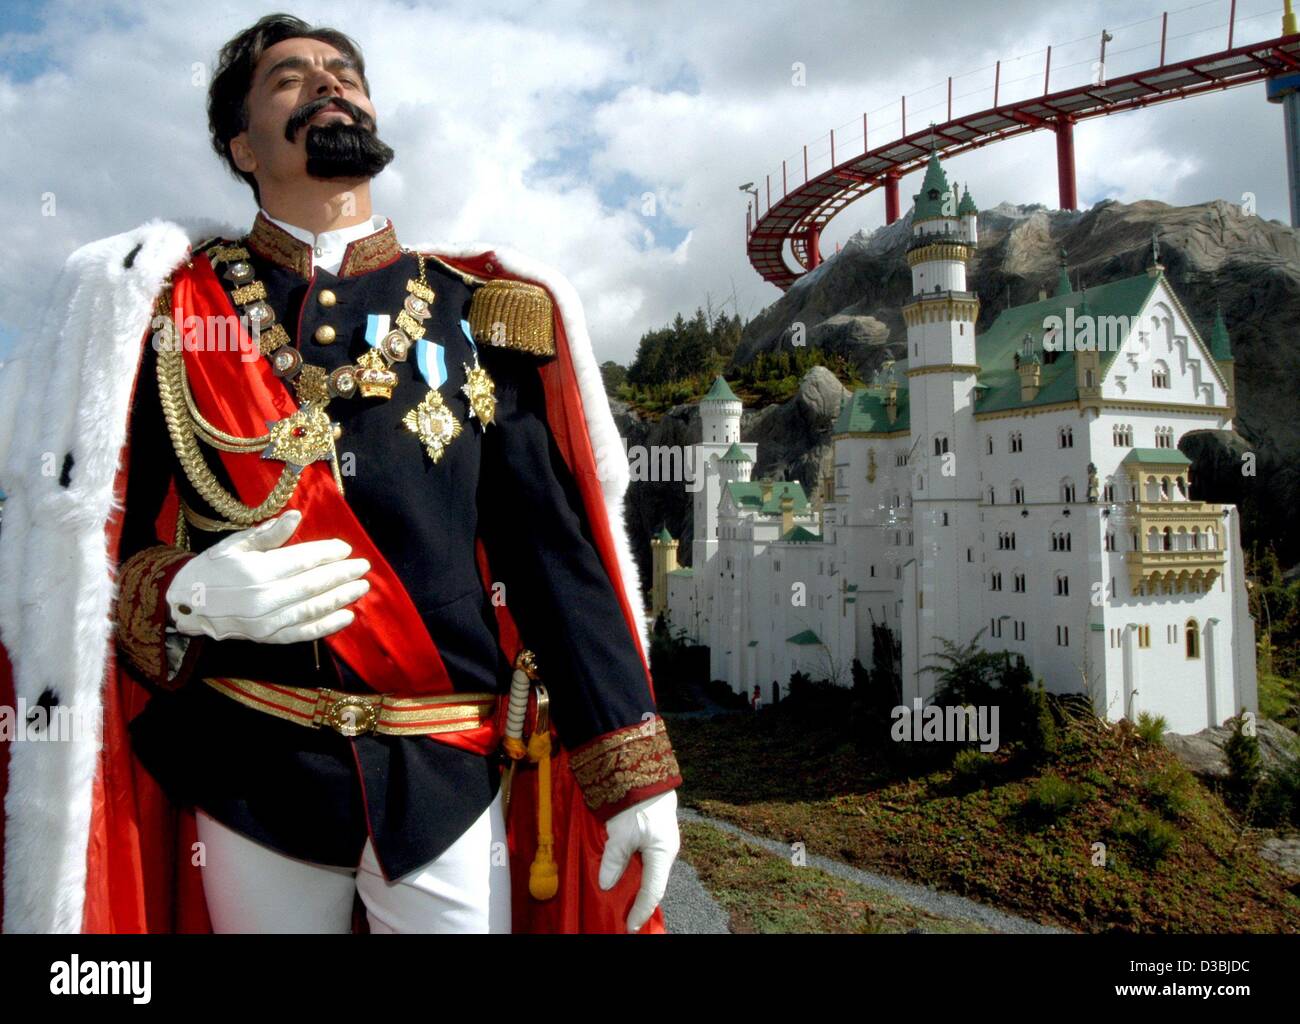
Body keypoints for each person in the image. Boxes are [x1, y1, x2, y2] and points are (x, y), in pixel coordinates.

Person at [0, 12, 681, 934]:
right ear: (240, 143)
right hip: (251, 769)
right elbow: (98, 557)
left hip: (447, 773)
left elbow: (551, 549)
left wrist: (635, 770)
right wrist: (186, 597)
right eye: (289, 77)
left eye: (344, 71)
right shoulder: (165, 313)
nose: (328, 83)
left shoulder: (480, 313)